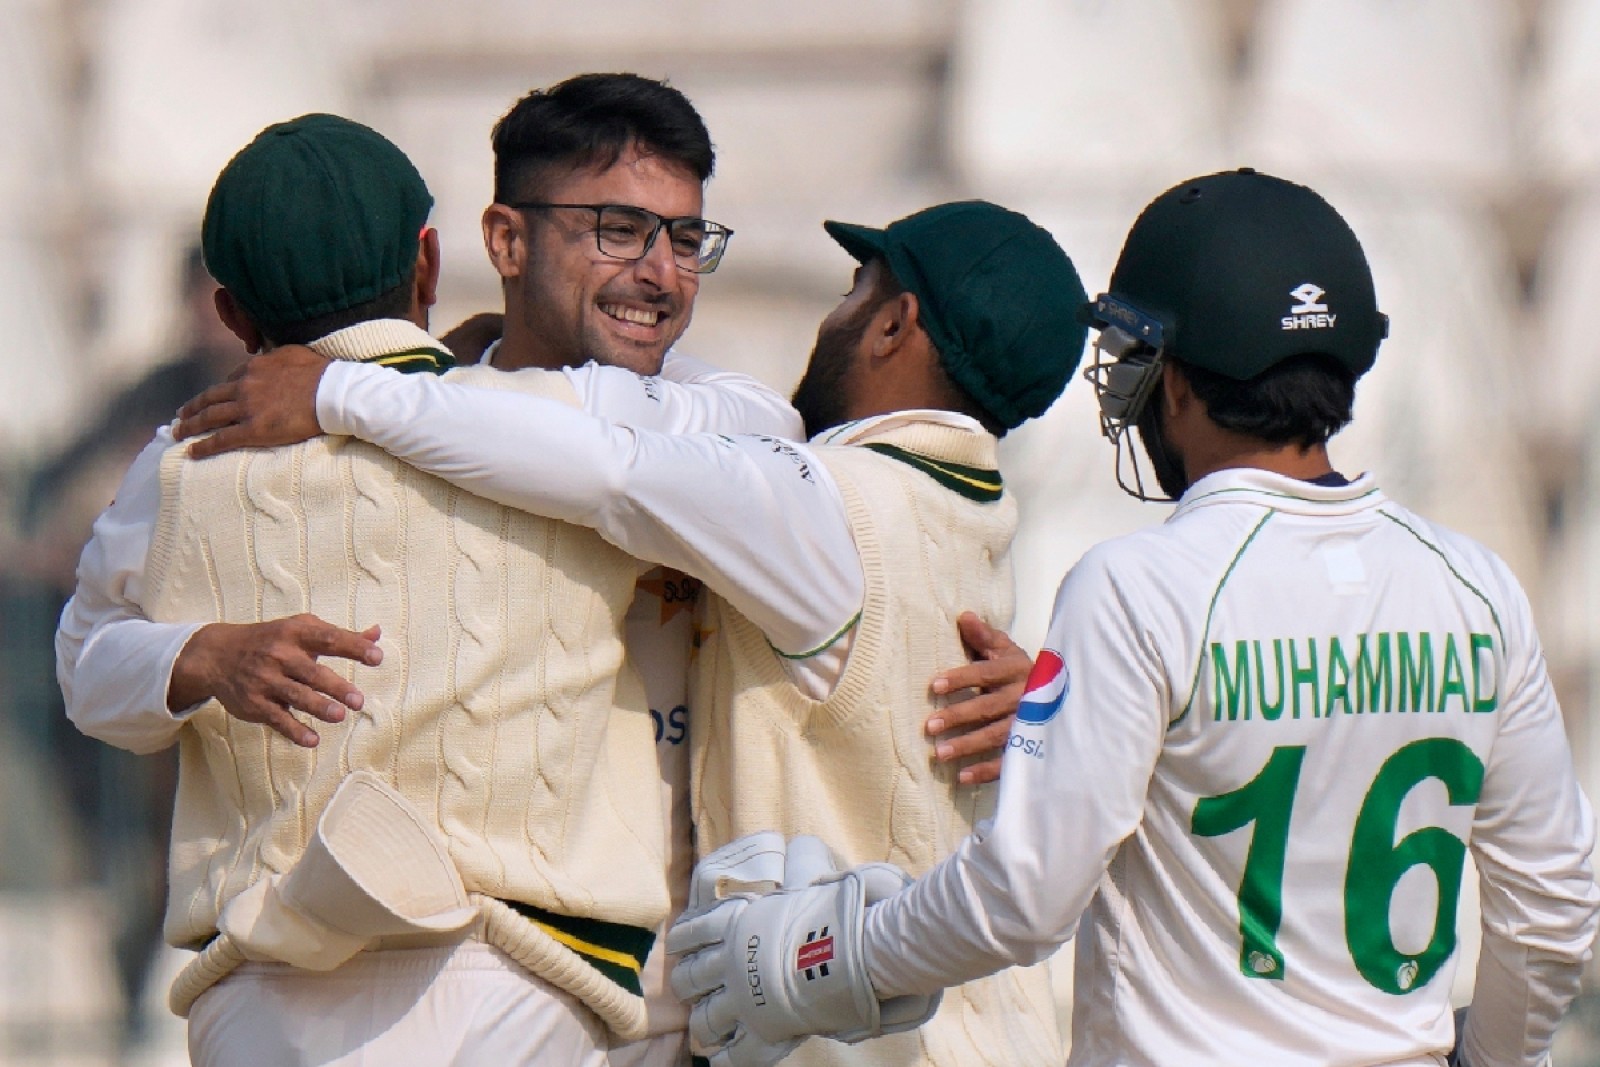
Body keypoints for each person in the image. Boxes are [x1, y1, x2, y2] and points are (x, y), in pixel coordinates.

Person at [63, 76, 1024, 1066]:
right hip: (551, 996)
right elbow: (88, 656)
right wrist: (199, 654)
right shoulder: (352, 435)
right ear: (494, 244)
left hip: (681, 1002)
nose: (658, 273)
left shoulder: (686, 428)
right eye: (616, 230)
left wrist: (1045, 695)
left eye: (684, 241)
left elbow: (750, 469)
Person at [665, 169, 1600, 1067]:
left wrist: (820, 959)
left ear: (1181, 384)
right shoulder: (1478, 589)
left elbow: (1023, 898)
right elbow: (1554, 906)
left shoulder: (1137, 586)